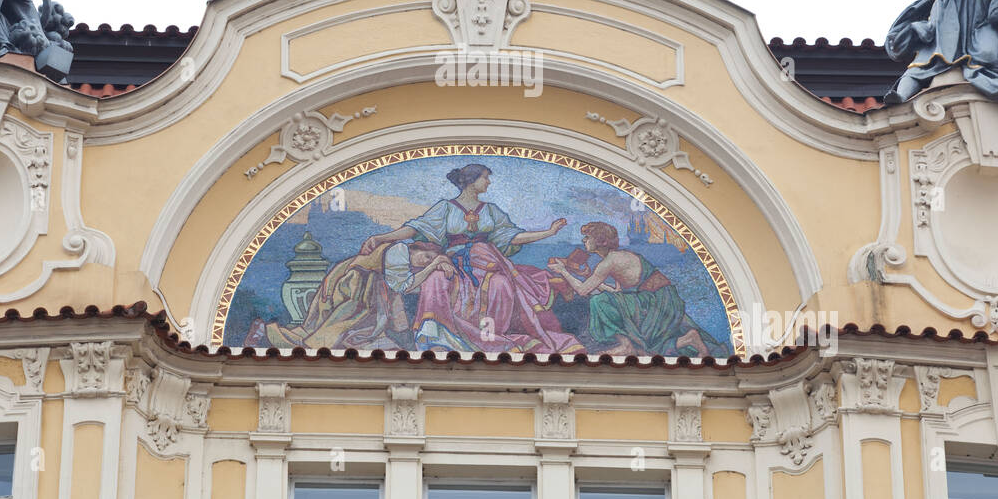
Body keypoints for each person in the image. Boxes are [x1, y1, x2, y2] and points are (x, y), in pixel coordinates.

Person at [360, 164, 584, 355]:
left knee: (502, 284)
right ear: (471, 181)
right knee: (437, 277)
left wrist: (548, 232)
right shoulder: (446, 208)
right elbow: (413, 229)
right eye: (485, 178)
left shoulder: (491, 211)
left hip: (486, 262)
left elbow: (512, 236)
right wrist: (381, 237)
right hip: (454, 262)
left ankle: (492, 340)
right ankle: (436, 337)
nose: (488, 183)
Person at [548, 221, 721, 357]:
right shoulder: (617, 258)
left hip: (656, 300)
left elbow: (583, 291)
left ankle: (625, 345)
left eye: (588, 237)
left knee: (598, 301)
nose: (584, 240)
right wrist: (587, 276)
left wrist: (563, 271)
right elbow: (618, 294)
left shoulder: (609, 262)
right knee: (645, 344)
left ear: (600, 241)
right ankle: (689, 339)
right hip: (658, 298)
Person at [244, 239, 453, 351]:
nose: (424, 262)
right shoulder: (399, 251)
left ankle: (268, 332)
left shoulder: (400, 260)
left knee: (333, 329)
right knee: (338, 325)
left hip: (368, 288)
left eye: (428, 261)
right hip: (357, 285)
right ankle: (270, 333)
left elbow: (401, 286)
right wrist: (434, 265)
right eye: (425, 256)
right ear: (415, 247)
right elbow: (403, 286)